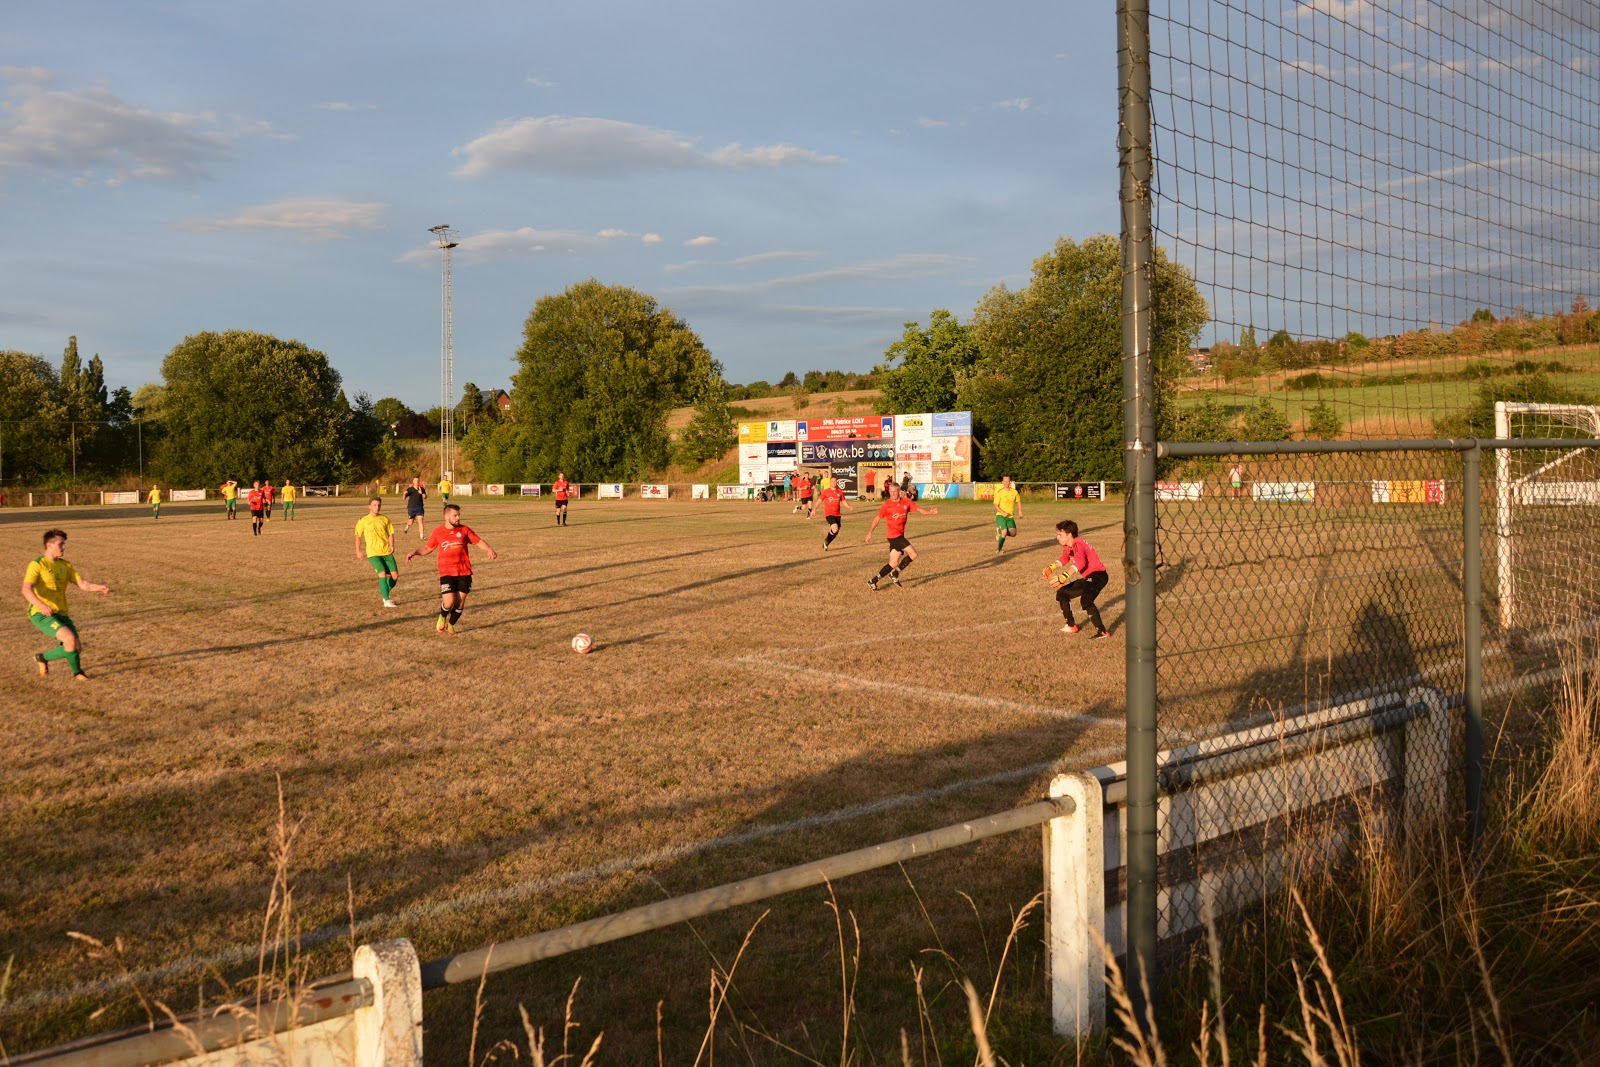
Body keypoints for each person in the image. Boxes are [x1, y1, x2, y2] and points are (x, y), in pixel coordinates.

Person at [23, 528, 110, 682]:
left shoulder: (66, 565)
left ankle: (42, 658)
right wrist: (41, 605)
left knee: (76, 647)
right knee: (69, 639)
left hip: (61, 612)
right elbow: (26, 589)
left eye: (64, 544)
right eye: (61, 544)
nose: (64, 547)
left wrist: (99, 587)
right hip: (41, 613)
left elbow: (83, 584)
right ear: (49, 545)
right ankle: (78, 674)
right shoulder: (37, 564)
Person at [407, 503, 498, 634]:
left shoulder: (465, 530)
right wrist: (415, 552)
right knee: (449, 602)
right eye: (455, 515)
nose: (458, 518)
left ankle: (451, 624)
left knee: (460, 603)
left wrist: (489, 549)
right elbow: (428, 548)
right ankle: (443, 616)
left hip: (464, 571)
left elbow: (478, 541)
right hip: (446, 571)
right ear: (446, 516)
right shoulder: (438, 532)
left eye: (459, 515)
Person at [863, 480, 938, 589]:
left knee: (893, 563)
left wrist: (930, 512)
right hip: (894, 535)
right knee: (913, 554)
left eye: (895, 491)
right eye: (891, 491)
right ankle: (895, 574)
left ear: (899, 491)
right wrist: (870, 532)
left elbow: (919, 510)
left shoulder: (906, 502)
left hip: (899, 535)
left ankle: (873, 581)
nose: (892, 493)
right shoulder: (886, 505)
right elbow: (877, 518)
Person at [1047, 519, 1110, 638]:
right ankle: (1071, 626)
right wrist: (1051, 567)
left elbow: (1080, 563)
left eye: (1060, 534)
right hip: (1088, 577)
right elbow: (1065, 558)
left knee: (1086, 600)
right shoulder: (1069, 545)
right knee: (1062, 593)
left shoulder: (1078, 544)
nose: (1057, 537)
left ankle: (1102, 632)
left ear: (1069, 534)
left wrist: (1063, 577)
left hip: (1098, 575)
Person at [354, 497, 400, 608]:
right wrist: (358, 550)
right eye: (374, 505)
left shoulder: (385, 519)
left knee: (395, 576)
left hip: (386, 551)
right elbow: (358, 536)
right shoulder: (363, 520)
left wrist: (392, 545)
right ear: (369, 506)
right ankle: (387, 600)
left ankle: (385, 594)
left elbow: (390, 533)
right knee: (382, 573)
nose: (377, 507)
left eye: (379, 505)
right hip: (373, 553)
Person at [819, 479, 854, 551]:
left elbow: (843, 501)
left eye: (835, 481)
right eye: (832, 481)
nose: (834, 483)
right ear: (830, 482)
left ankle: (826, 543)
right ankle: (826, 542)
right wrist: (814, 509)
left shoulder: (840, 491)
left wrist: (849, 507)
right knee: (835, 529)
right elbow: (819, 500)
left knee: (836, 532)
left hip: (837, 514)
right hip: (829, 513)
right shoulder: (826, 492)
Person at [993, 475, 1023, 552]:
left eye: (1008, 481)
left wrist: (1020, 511)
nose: (1006, 482)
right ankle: (999, 550)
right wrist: (1002, 512)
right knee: (1005, 531)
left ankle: (999, 531)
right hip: (1000, 516)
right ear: (1002, 482)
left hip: (1010, 517)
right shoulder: (1000, 492)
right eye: (1005, 481)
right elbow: (996, 505)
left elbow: (1018, 501)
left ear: (1010, 482)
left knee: (1013, 533)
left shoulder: (1014, 492)